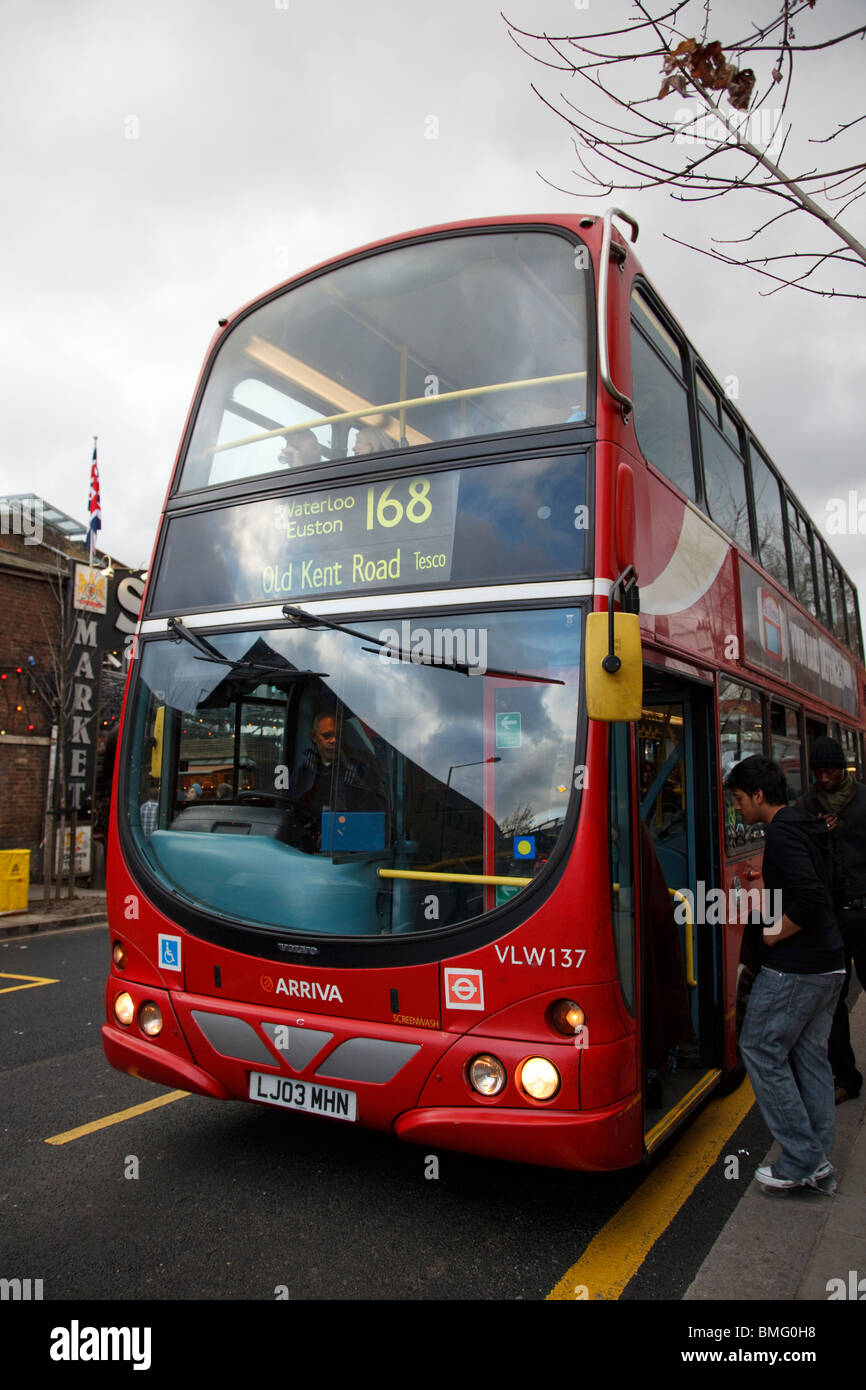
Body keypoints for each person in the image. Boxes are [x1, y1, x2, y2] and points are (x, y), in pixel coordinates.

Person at [726, 754, 845, 1193]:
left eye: (739, 798)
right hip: (829, 962)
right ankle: (816, 1155)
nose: (737, 807)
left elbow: (811, 899)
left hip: (798, 967)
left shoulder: (781, 834)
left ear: (759, 795)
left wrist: (774, 935)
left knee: (757, 1046)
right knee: (810, 1056)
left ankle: (800, 1159)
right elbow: (823, 884)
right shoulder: (806, 824)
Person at [798, 736, 866, 1104]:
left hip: (864, 911)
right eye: (819, 773)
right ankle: (845, 1077)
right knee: (831, 1003)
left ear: (844, 769)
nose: (824, 779)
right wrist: (818, 834)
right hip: (831, 919)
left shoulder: (863, 801)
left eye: (831, 772)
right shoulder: (807, 807)